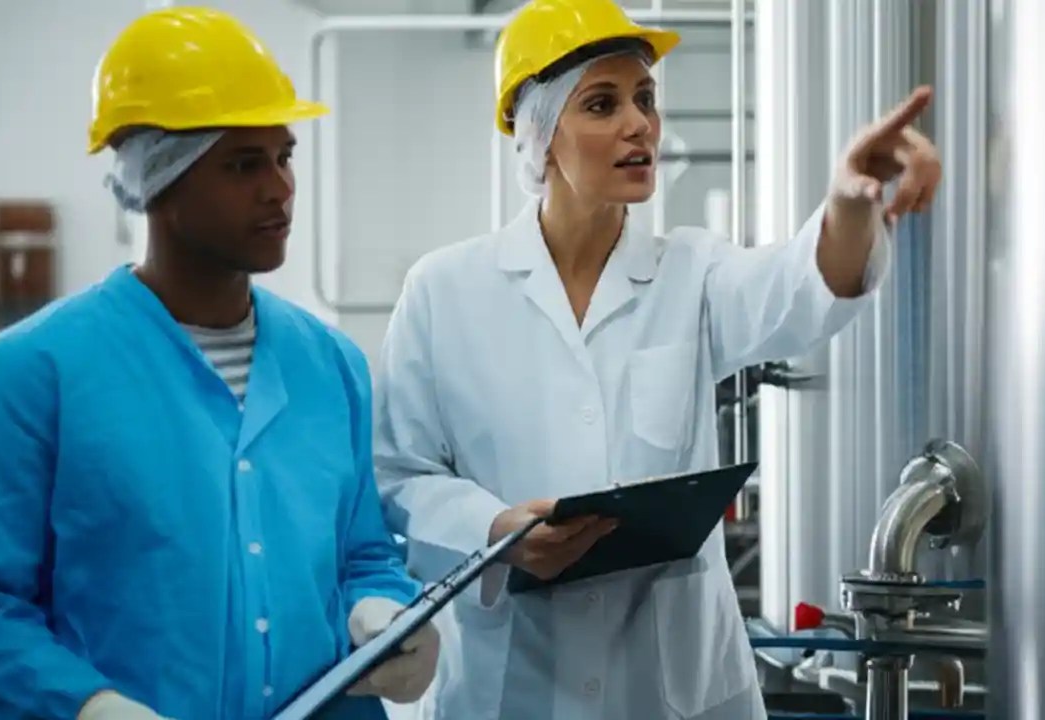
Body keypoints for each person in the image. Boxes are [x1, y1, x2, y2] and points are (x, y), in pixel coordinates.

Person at [372, 0, 942, 717]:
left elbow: (800, 290)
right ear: (538, 136)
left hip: (672, 688)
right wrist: (496, 534)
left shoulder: (693, 272)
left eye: (645, 98)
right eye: (602, 104)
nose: (639, 123)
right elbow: (399, 476)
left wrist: (848, 203)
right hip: (510, 684)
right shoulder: (444, 291)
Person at [0, 8, 439, 720]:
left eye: (284, 156)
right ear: (159, 179)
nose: (280, 188)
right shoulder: (27, 378)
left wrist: (384, 611)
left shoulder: (330, 364)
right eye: (244, 165)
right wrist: (90, 707)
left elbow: (362, 552)